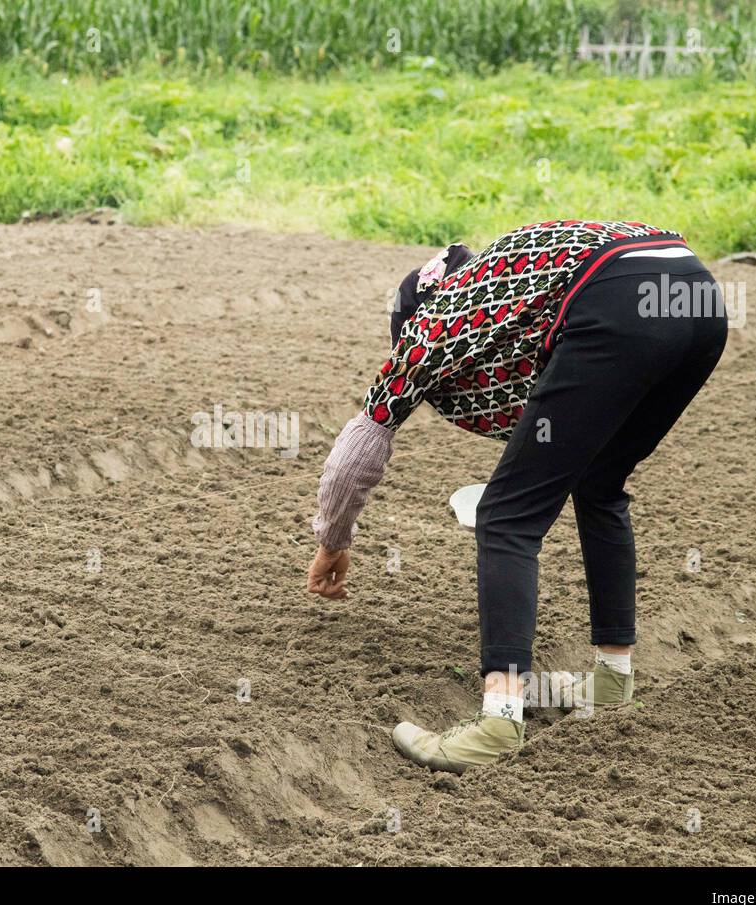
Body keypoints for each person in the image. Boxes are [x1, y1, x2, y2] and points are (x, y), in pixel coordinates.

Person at [306, 220, 728, 773]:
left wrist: (333, 542)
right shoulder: (507, 278)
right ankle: (611, 680)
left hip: (619, 302)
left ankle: (499, 723)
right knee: (600, 485)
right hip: (698, 299)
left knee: (505, 517)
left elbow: (355, 453)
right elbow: (562, 407)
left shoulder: (432, 323)